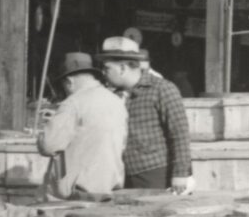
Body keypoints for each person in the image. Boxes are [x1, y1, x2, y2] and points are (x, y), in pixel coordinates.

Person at [97, 35, 194, 194]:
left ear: (122, 68)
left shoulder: (162, 89)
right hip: (124, 174)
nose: (103, 72)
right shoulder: (114, 96)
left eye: (107, 68)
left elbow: (180, 133)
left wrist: (180, 174)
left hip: (156, 173)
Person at [37, 52, 126, 199]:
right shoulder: (117, 102)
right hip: (110, 188)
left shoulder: (73, 103)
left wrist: (44, 132)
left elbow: (49, 145)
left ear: (69, 81)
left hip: (79, 191)